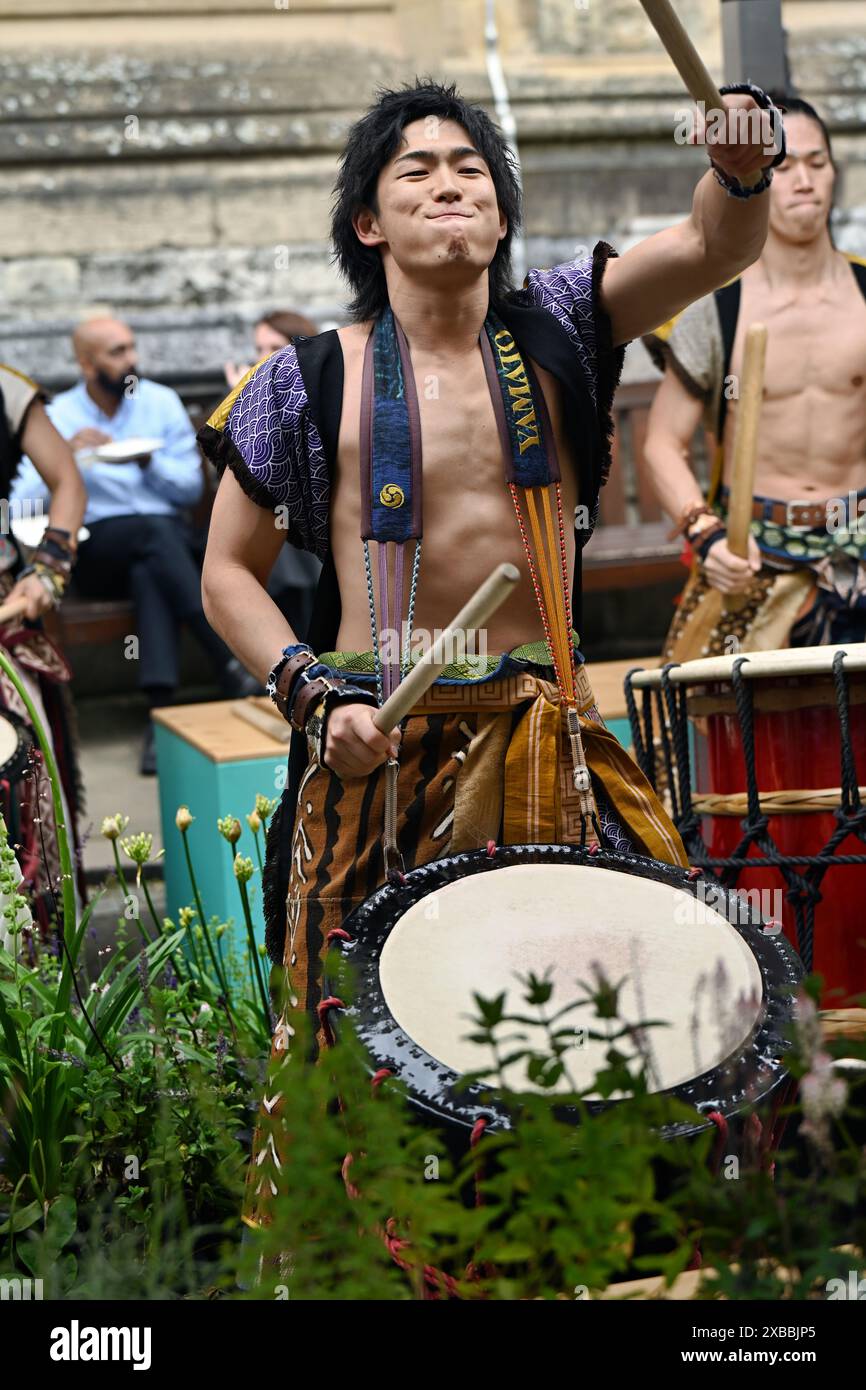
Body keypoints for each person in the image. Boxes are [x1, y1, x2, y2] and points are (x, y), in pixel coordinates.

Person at [198, 79, 785, 1224]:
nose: (447, 182)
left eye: (469, 167)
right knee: (356, 1045)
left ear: (502, 215)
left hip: (539, 733)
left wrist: (740, 161)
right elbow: (225, 572)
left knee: (618, 1007)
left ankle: (598, 1247)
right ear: (368, 224)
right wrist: (310, 697)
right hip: (371, 742)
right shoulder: (303, 380)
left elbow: (716, 243)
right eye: (413, 170)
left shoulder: (565, 323)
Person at [641, 96, 866, 661]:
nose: (805, 181)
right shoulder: (718, 307)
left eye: (818, 163)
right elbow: (663, 442)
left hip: (861, 537)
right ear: (759, 176)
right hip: (755, 552)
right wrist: (704, 533)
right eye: (786, 166)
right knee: (701, 722)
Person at [11, 317, 260, 776]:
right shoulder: (59, 416)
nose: (131, 360)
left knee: (153, 564)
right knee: (153, 539)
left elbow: (188, 490)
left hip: (165, 545)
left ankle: (157, 716)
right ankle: (226, 652)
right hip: (97, 547)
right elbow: (21, 500)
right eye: (116, 352)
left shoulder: (159, 403)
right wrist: (61, 454)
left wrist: (148, 461)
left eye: (131, 348)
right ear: (86, 363)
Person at [0, 363, 87, 930]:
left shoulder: (5, 386)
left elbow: (68, 482)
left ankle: (41, 948)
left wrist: (48, 570)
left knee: (27, 762)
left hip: (4, 610)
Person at [224, 310, 323, 641]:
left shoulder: (322, 393)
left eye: (273, 347)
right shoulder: (243, 400)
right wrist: (241, 403)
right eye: (258, 349)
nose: (262, 358)